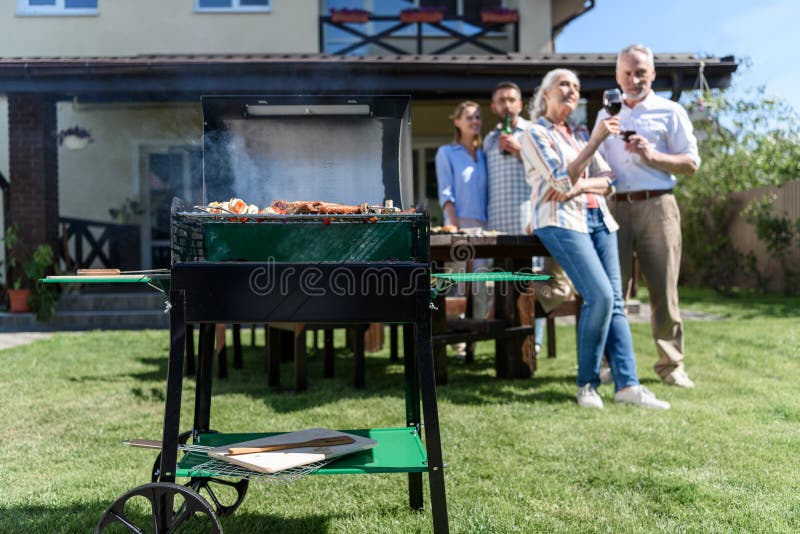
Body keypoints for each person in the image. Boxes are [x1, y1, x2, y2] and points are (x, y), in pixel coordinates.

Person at [520, 68, 669, 410]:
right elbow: (559, 181)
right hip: (560, 222)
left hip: (598, 218)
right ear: (546, 94)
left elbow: (609, 182)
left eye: (576, 86)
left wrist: (583, 184)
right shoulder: (536, 133)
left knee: (616, 301)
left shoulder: (576, 134)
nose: (572, 91)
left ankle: (627, 385)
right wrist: (595, 143)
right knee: (599, 296)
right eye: (564, 85)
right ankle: (587, 384)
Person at [595, 44, 699, 389]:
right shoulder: (605, 115)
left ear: (652, 74)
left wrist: (651, 154)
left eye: (641, 72)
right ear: (617, 76)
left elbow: (691, 164)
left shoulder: (670, 111)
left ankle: (671, 365)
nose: (634, 78)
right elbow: (595, 161)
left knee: (663, 291)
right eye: (627, 72)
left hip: (659, 207)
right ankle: (612, 364)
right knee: (614, 291)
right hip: (615, 207)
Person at [484, 82, 545, 355]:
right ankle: (504, 342)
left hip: (526, 218)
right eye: (501, 100)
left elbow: (547, 170)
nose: (507, 105)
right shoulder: (488, 140)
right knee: (500, 283)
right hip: (497, 221)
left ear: (520, 105)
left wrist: (520, 149)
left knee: (528, 281)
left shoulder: (533, 132)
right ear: (494, 107)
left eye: (512, 100)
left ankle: (534, 342)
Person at [435, 100, 491, 328]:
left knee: (481, 282)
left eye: (477, 117)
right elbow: (446, 193)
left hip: (485, 227)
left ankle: (477, 333)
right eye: (469, 117)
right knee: (458, 284)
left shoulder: (484, 155)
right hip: (457, 224)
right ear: (457, 122)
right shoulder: (446, 153)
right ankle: (455, 338)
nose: (475, 121)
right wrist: (456, 227)